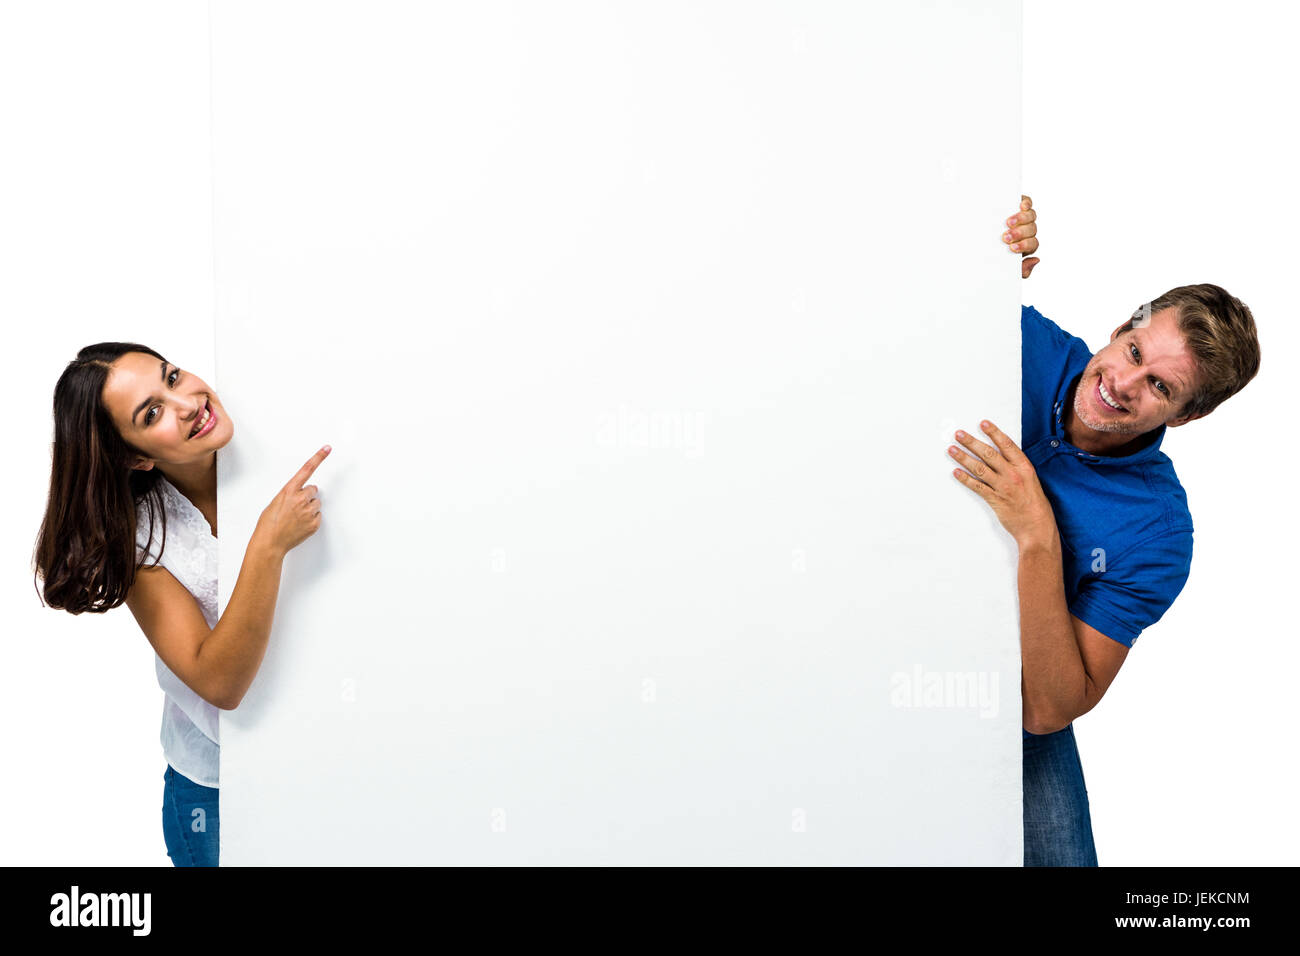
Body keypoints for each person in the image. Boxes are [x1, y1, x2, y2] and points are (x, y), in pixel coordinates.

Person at [949, 197, 1261, 865]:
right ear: (1123, 324)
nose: (1120, 383)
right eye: (1133, 349)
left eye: (1158, 386)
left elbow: (1048, 708)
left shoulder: (1158, 532)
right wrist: (981, 255)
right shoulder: (1014, 341)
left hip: (1015, 695)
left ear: (1187, 416)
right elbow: (889, 294)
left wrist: (1039, 538)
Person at [32, 344, 331, 866]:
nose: (187, 402)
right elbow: (218, 683)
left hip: (316, 753)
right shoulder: (141, 541)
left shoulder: (270, 426)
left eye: (171, 377)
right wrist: (268, 544)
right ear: (135, 457)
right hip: (213, 792)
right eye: (152, 413)